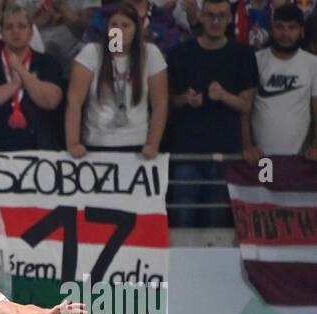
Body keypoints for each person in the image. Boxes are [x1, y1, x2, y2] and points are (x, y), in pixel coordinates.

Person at [164, 0, 256, 227]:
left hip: (226, 153)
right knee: (182, 221)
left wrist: (224, 96)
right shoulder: (180, 53)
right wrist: (186, 99)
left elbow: (246, 105)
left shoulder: (243, 55)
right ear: (201, 16)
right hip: (187, 152)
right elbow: (168, 102)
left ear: (229, 19)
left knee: (217, 225)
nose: (215, 21)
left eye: (221, 16)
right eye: (210, 15)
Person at [65, 0, 167, 158]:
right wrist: (73, 143)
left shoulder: (151, 54)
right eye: (113, 25)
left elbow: (160, 104)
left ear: (136, 30)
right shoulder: (91, 52)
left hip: (137, 146)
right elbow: (74, 101)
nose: (118, 31)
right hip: (96, 144)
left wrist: (153, 144)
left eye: (125, 26)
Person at [0, 3, 64, 150]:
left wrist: (20, 70)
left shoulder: (48, 63)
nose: (15, 31)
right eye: (9, 27)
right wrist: (14, 85)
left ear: (32, 32)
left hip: (39, 145)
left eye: (22, 26)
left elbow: (51, 101)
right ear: (1, 33)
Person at [242, 4, 317, 164]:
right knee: (263, 189)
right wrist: (248, 146)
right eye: (279, 27)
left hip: (299, 160)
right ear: (272, 28)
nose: (285, 33)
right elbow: (245, 109)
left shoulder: (313, 64)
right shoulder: (256, 60)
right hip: (260, 158)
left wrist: (316, 146)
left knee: (292, 190)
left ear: (302, 31)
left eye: (292, 28)